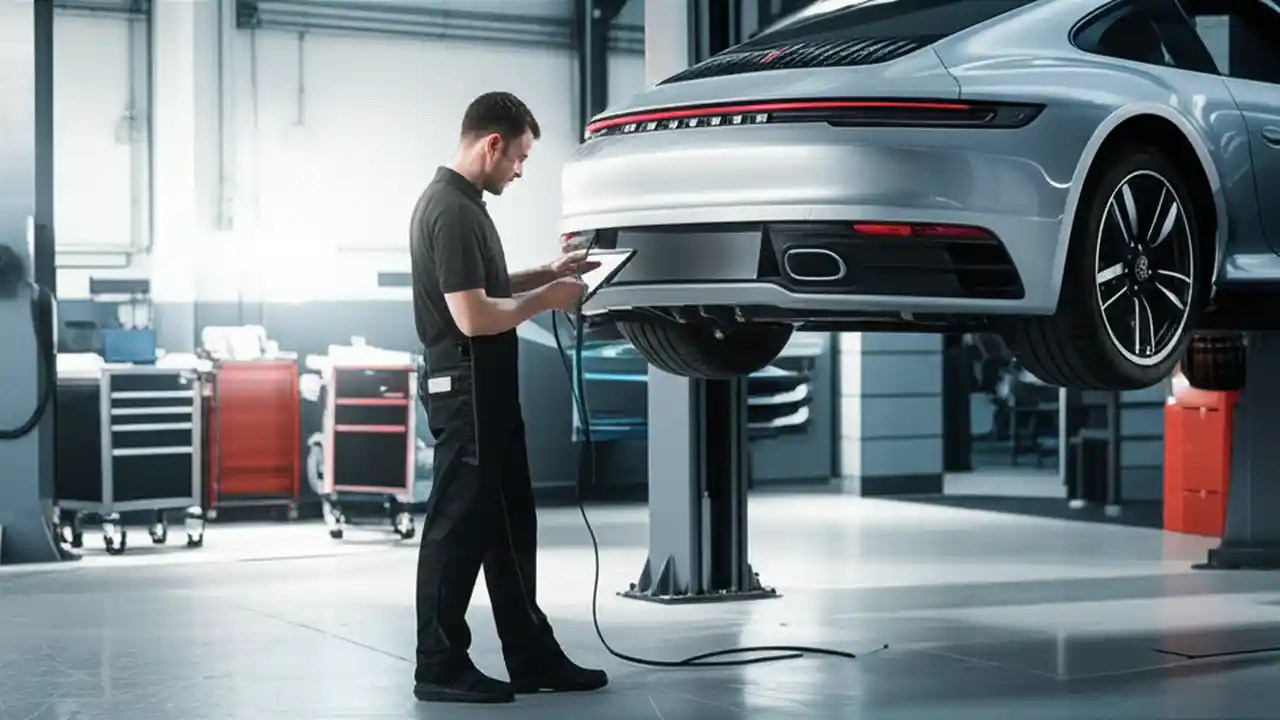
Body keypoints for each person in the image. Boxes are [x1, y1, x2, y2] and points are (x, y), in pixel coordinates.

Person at [408, 91, 608, 704]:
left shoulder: (466, 204)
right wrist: (548, 302)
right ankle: (438, 665)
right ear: (492, 144)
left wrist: (549, 273)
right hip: (465, 388)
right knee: (457, 528)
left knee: (508, 526)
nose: (521, 170)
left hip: (488, 390)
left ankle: (530, 654)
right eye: (519, 157)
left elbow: (485, 288)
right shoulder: (451, 208)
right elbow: (472, 316)